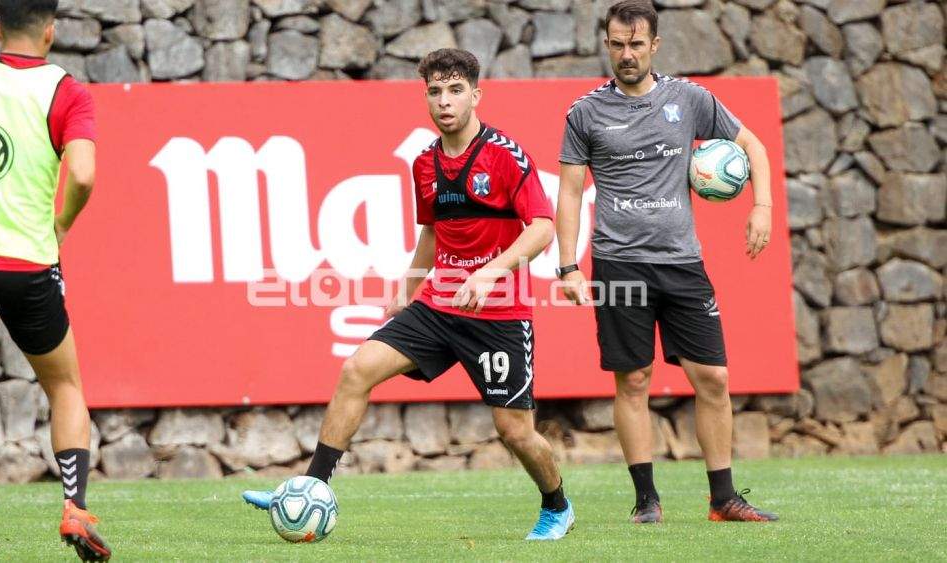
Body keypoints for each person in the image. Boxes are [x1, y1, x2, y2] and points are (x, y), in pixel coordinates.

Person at [242, 48, 575, 541]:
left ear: (476, 96)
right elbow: (433, 233)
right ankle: (310, 488)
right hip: (438, 305)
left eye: (456, 90)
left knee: (515, 432)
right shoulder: (424, 163)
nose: (445, 101)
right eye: (435, 91)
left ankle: (557, 506)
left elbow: (543, 228)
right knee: (357, 370)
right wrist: (407, 290)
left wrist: (489, 273)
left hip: (499, 315)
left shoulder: (504, 155)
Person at [555, 0, 778, 523]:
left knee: (714, 378)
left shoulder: (689, 99)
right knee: (633, 381)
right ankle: (646, 501)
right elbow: (569, 193)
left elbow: (754, 146)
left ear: (654, 45)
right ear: (606, 45)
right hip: (618, 263)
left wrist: (762, 207)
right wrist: (568, 265)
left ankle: (723, 499)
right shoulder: (585, 112)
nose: (626, 54)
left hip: (682, 262)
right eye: (617, 44)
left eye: (636, 44)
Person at [0, 1, 110, 559]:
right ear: (51, 31)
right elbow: (82, 174)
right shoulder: (66, 91)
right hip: (28, 265)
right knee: (65, 387)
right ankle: (74, 509)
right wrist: (61, 223)